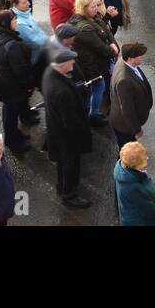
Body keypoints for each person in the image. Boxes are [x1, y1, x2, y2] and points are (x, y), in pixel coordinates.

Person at [43, 45, 92, 208]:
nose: (73, 63)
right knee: (71, 164)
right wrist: (82, 131)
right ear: (62, 63)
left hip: (56, 132)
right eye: (70, 60)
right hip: (68, 137)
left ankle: (61, 185)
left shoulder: (50, 74)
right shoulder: (61, 91)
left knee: (63, 163)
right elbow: (70, 121)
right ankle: (69, 195)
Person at [0, 10, 34, 152]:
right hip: (12, 87)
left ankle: (13, 135)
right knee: (11, 114)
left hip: (2, 83)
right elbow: (20, 71)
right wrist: (28, 85)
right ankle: (13, 142)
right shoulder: (11, 45)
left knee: (8, 111)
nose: (16, 22)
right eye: (14, 20)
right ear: (6, 24)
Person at [109, 42, 153, 146]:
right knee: (127, 152)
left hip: (127, 124)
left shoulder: (125, 61)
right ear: (130, 58)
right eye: (139, 56)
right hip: (124, 126)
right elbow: (127, 109)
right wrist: (136, 130)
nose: (142, 57)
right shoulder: (124, 81)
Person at [115, 141, 155, 225]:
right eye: (143, 164)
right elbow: (149, 210)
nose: (147, 159)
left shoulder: (122, 165)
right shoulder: (132, 187)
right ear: (133, 166)